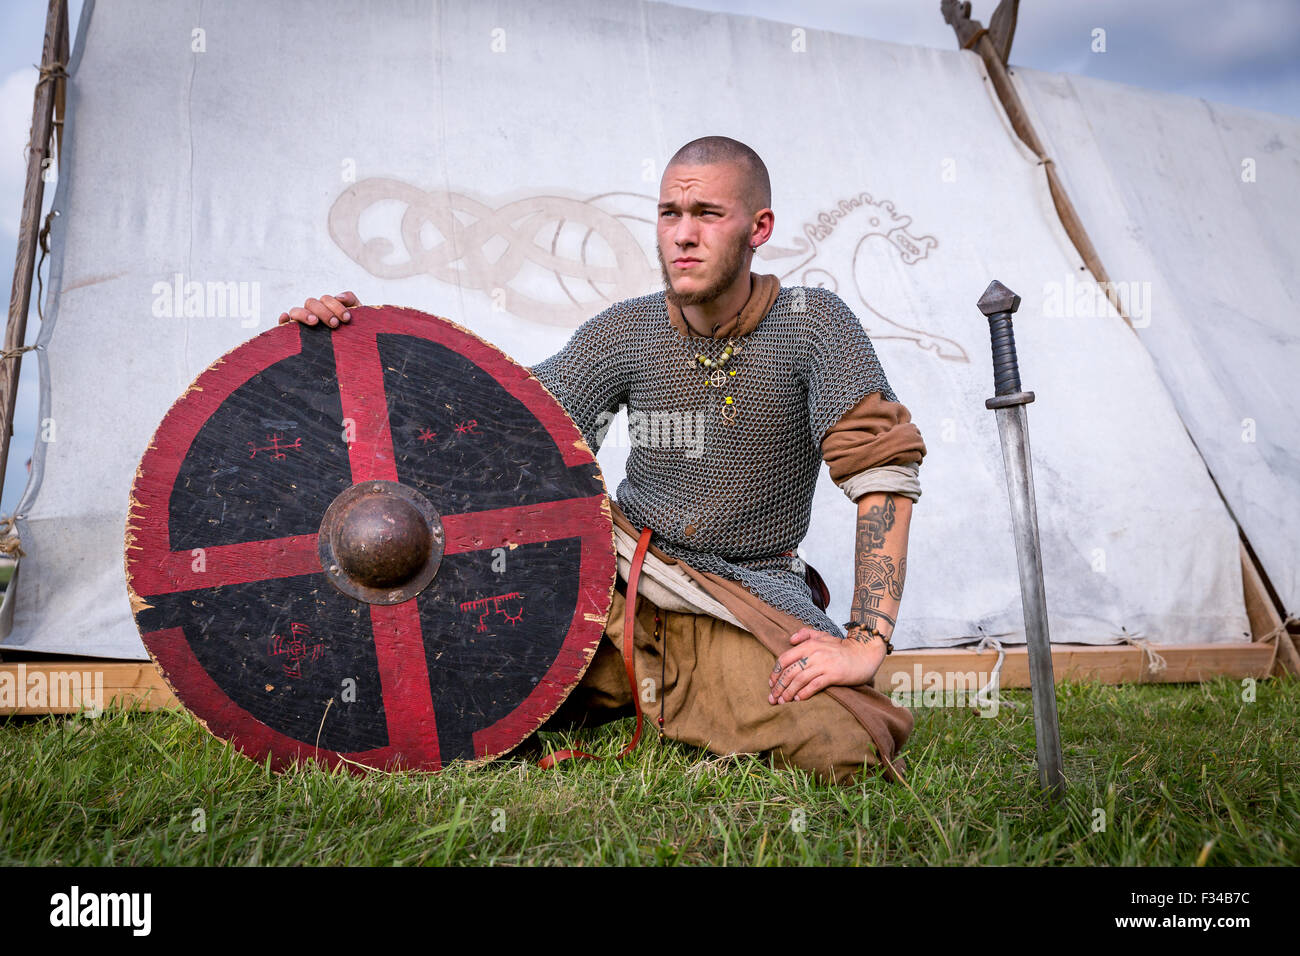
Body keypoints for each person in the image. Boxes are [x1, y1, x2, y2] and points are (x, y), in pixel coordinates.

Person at [280, 136, 926, 784]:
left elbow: (882, 475)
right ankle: (651, 691)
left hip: (738, 592)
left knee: (849, 747)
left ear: (760, 228)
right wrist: (355, 354)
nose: (683, 235)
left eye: (707, 213)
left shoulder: (813, 323)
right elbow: (505, 417)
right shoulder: (627, 330)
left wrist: (866, 641)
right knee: (451, 692)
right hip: (616, 583)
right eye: (670, 214)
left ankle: (669, 690)